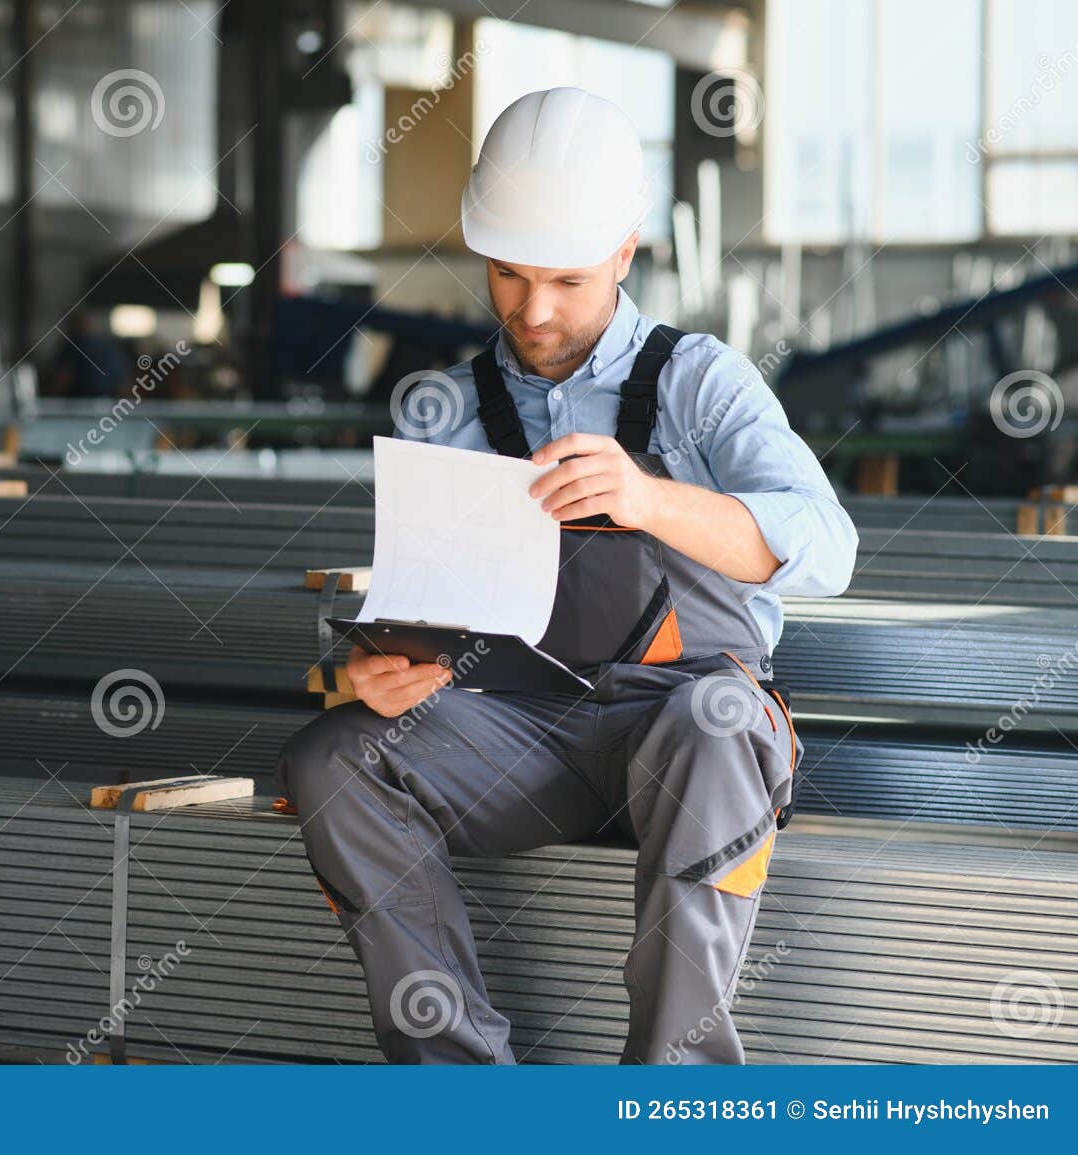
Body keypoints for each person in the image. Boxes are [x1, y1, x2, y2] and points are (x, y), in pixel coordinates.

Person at [275, 87, 858, 1065]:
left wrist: (646, 499)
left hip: (679, 733)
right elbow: (412, 604)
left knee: (716, 724)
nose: (532, 311)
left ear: (624, 256)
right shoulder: (445, 406)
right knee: (332, 762)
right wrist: (364, 672)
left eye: (566, 280)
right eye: (506, 274)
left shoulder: (699, 383)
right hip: (517, 736)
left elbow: (826, 551)